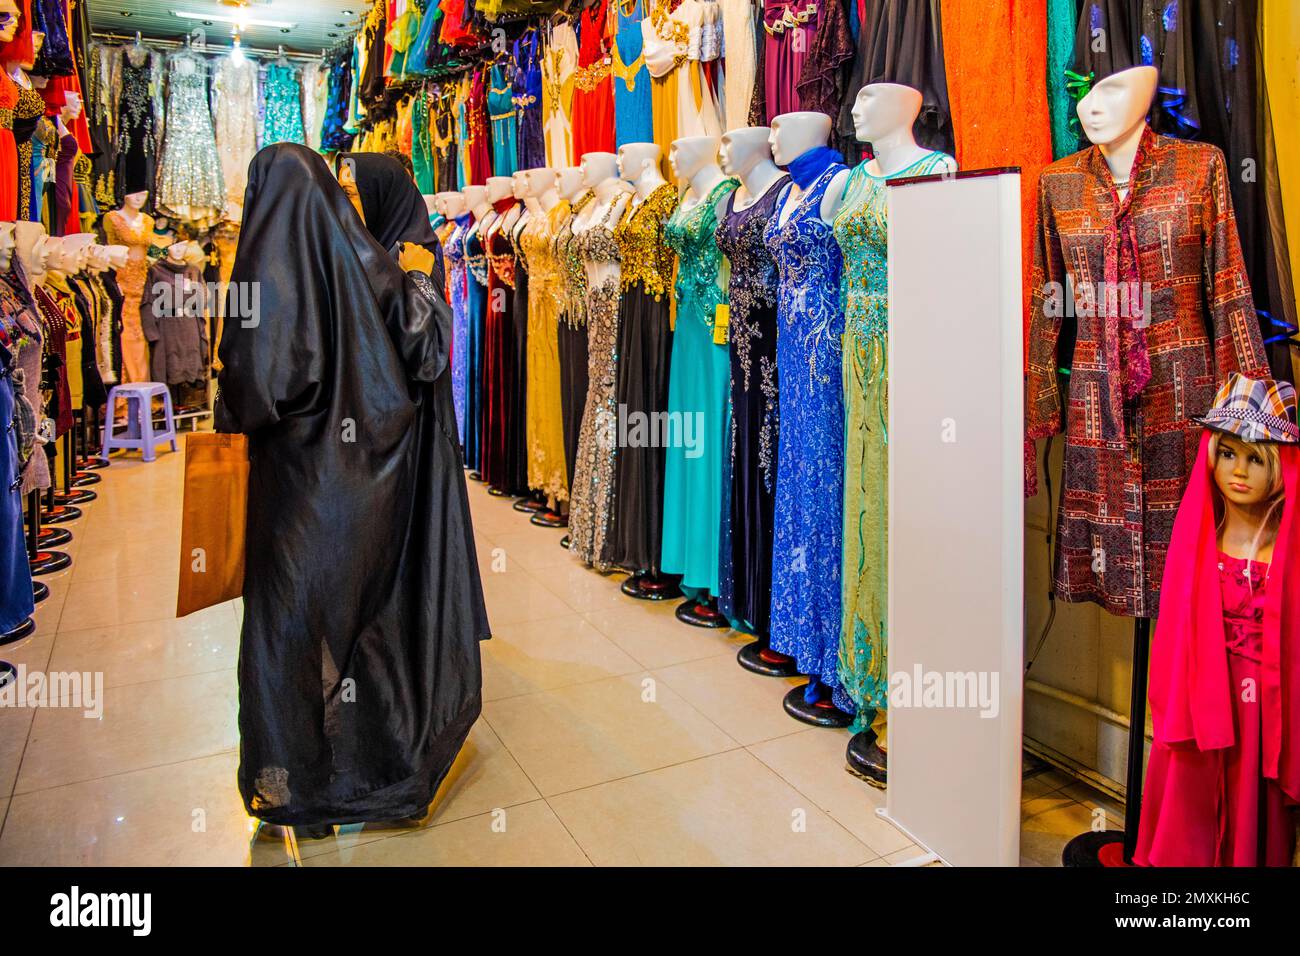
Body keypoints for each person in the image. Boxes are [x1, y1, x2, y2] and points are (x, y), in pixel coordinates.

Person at [215, 143, 490, 838]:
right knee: (353, 623)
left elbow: (252, 392)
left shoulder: (263, 280)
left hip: (292, 493)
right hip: (363, 487)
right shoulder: (364, 261)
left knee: (283, 630)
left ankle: (288, 783)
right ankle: (357, 767)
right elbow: (422, 353)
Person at [1138, 373, 1300, 866]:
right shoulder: (1198, 541)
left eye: (1255, 458)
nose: (1239, 471)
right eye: (1228, 453)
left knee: (1253, 801)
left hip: (1260, 706)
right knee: (1191, 807)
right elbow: (1175, 633)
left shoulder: (1288, 553)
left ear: (1281, 467)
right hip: (1201, 694)